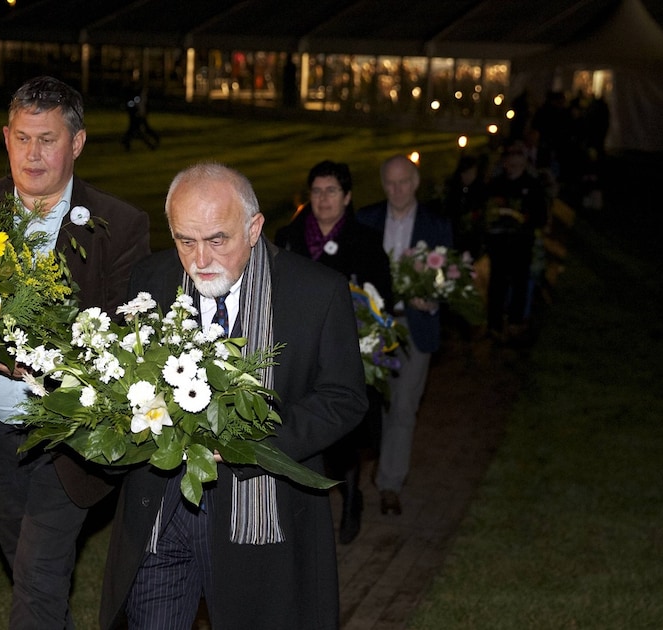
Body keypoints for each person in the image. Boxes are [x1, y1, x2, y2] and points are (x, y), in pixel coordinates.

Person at [100, 162, 367, 630]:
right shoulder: (151, 278)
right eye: (186, 240)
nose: (200, 259)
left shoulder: (316, 293)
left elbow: (344, 398)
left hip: (261, 520)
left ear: (254, 228)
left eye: (217, 239)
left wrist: (251, 442)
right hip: (161, 513)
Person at [0, 76, 151, 630]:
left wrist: (51, 355)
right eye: (23, 138)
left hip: (69, 435)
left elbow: (124, 336)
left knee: (36, 574)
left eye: (48, 140)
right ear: (6, 137)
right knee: (31, 571)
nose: (33, 154)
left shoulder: (118, 225)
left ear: (76, 143)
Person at [273, 159, 392, 544]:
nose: (323, 199)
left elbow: (383, 297)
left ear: (347, 196)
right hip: (295, 354)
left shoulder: (366, 241)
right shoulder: (287, 238)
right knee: (298, 426)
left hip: (344, 350)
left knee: (342, 433)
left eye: (331, 191)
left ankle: (351, 497)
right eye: (317, 191)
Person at [357, 154, 454, 517]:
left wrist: (431, 300)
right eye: (390, 183)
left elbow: (447, 276)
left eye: (403, 182)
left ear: (415, 183)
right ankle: (373, 466)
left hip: (415, 328)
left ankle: (390, 483)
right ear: (383, 185)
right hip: (372, 328)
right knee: (372, 405)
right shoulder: (367, 219)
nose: (397, 190)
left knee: (403, 407)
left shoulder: (435, 224)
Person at [482, 142, 548, 344]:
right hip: (499, 244)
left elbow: (540, 216)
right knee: (497, 284)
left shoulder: (533, 186)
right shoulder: (496, 184)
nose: (513, 159)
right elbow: (485, 211)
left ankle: (515, 323)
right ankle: (494, 324)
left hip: (521, 244)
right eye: (510, 154)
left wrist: (523, 220)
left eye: (518, 154)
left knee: (520, 283)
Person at [121, 84, 160, 151]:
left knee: (137, 130)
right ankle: (126, 142)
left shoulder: (138, 96)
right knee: (136, 130)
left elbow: (136, 104)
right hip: (137, 114)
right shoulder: (138, 96)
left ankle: (152, 143)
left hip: (137, 114)